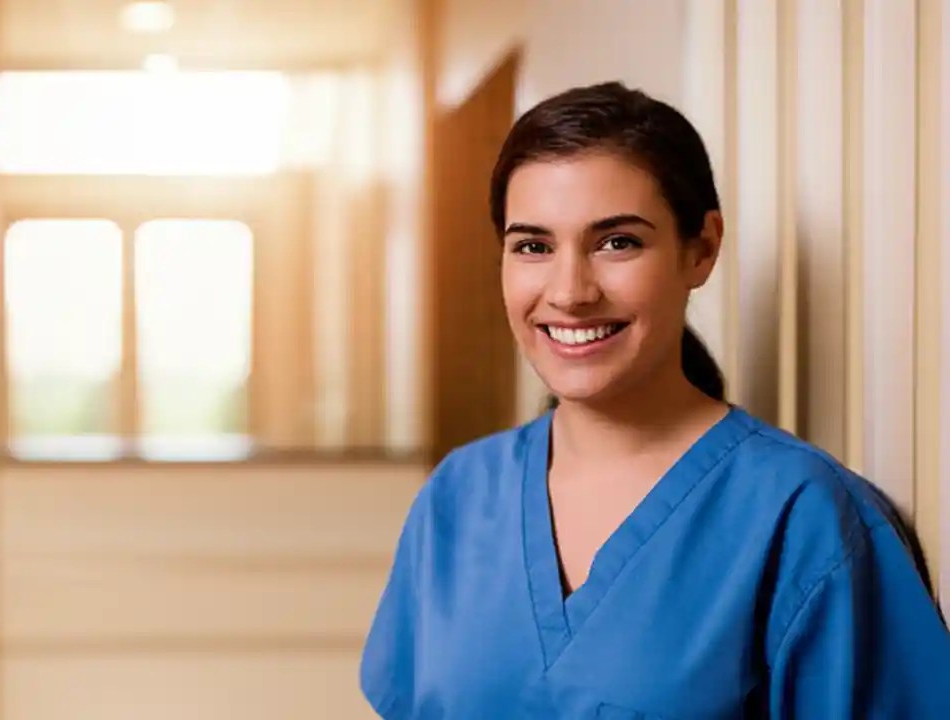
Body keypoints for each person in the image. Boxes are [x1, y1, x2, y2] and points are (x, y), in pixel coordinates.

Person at [359, 82, 950, 718]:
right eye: (533, 246)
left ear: (702, 248)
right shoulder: (458, 498)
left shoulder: (804, 516)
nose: (570, 292)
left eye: (617, 242)